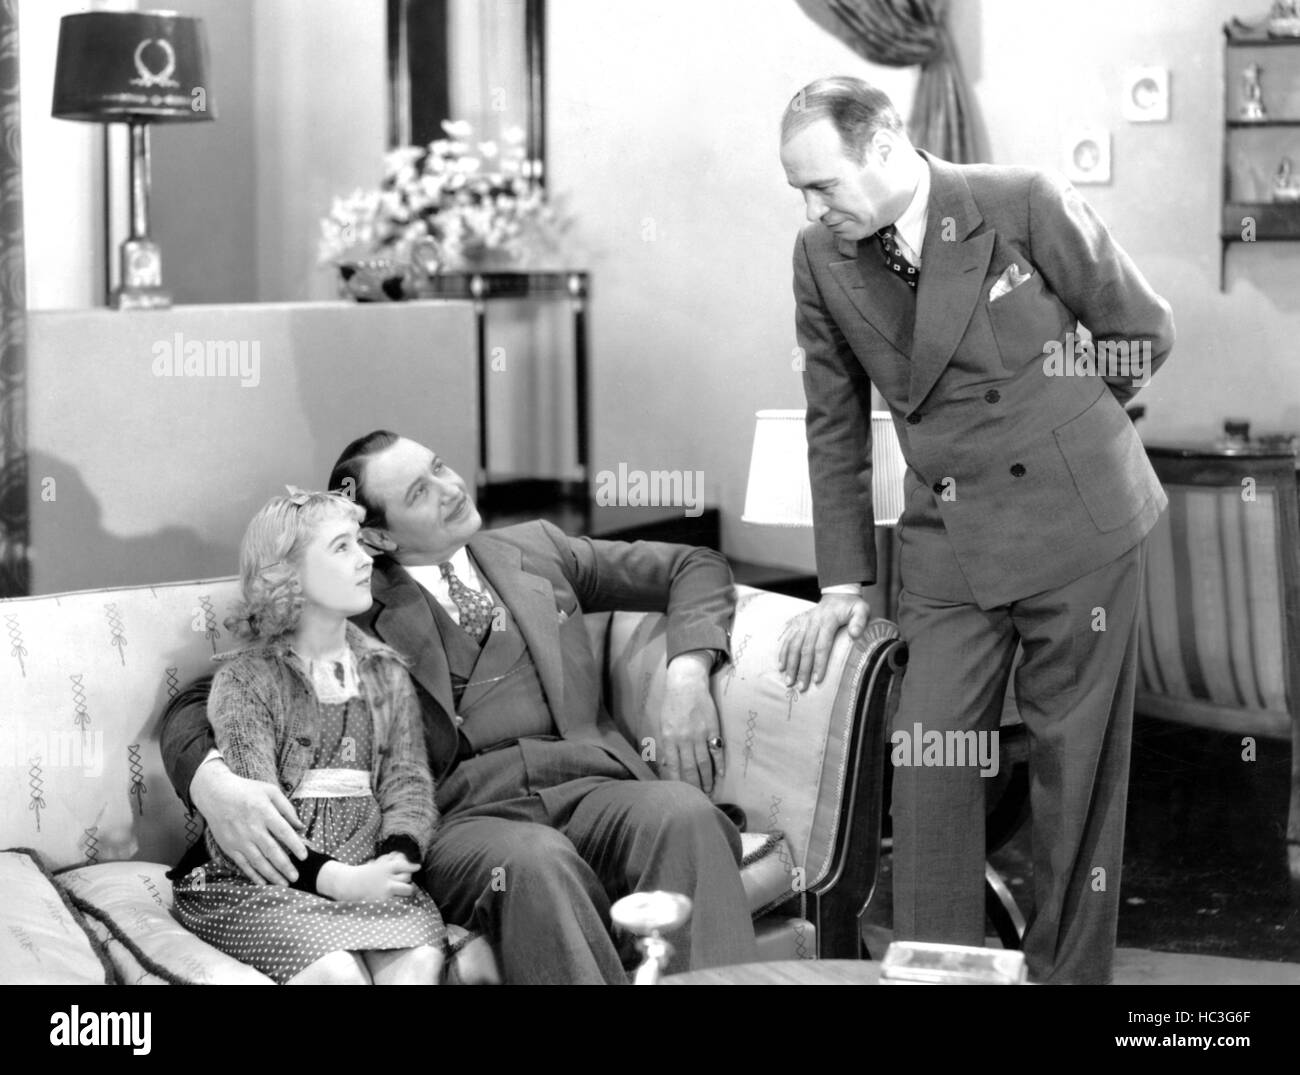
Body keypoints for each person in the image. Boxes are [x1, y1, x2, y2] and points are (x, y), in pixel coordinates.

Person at [777, 77, 1175, 984]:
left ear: (884, 148)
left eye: (823, 185)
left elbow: (1141, 332)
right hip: (946, 540)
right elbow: (833, 423)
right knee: (928, 763)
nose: (812, 208)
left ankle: (1068, 978)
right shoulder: (819, 256)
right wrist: (842, 583)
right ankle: (940, 976)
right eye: (798, 190)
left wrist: (1065, 426)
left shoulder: (1021, 200)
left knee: (1078, 773)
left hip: (1079, 521)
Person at [162, 434, 757, 984]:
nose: (450, 489)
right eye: (419, 493)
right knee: (534, 862)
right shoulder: (349, 597)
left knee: (685, 813)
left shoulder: (539, 548)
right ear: (379, 538)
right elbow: (205, 697)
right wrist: (214, 786)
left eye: (439, 468)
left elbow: (693, 565)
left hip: (596, 788)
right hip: (465, 822)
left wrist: (687, 671)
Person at [171, 488, 445, 985]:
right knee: (338, 973)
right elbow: (257, 822)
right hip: (268, 881)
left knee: (421, 962)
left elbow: (407, 782)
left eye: (360, 542)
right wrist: (339, 880)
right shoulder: (247, 681)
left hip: (366, 869)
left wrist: (397, 859)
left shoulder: (385, 671)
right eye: (341, 547)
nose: (365, 559)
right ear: (289, 576)